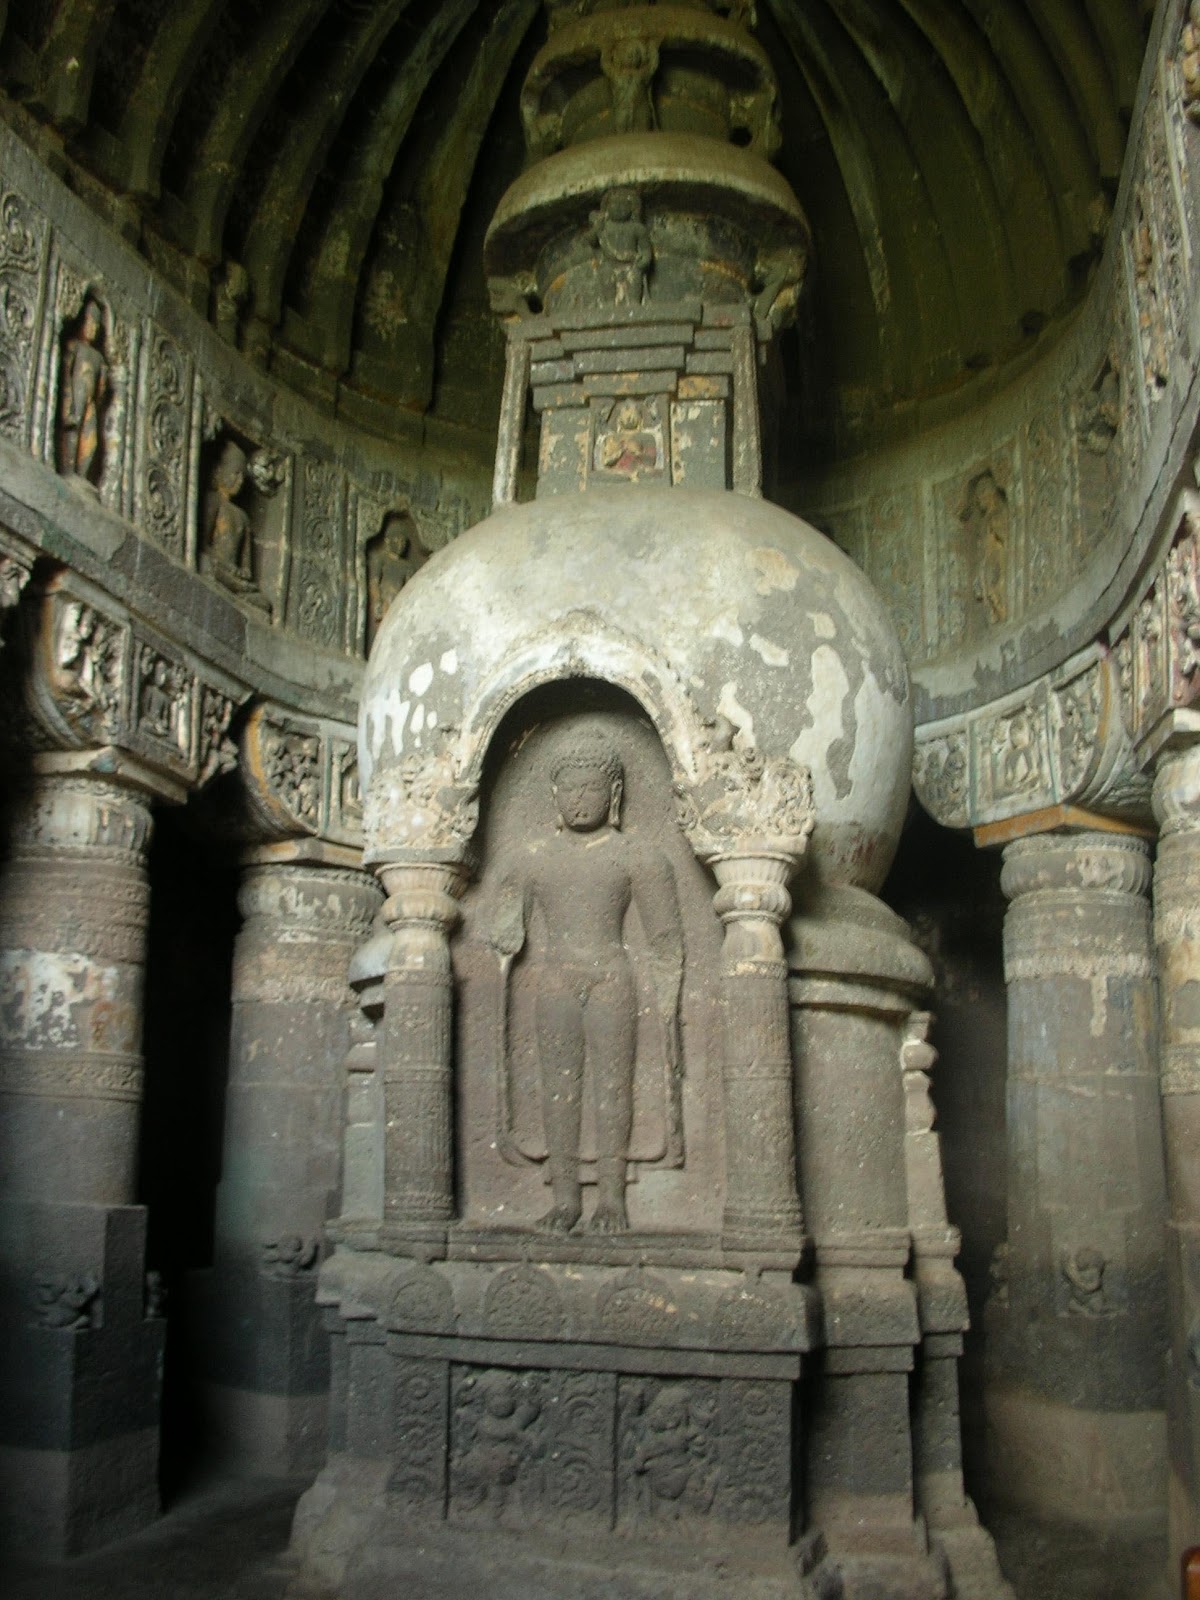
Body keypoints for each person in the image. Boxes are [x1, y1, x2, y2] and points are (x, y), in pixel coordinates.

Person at [490, 728, 683, 1234]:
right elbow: (504, 930)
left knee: (612, 1088)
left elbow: (665, 937)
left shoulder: (638, 857)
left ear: (613, 794)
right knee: (559, 1089)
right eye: (570, 790)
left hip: (610, 978)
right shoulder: (532, 857)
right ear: (554, 794)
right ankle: (565, 1199)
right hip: (554, 979)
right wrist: (504, 934)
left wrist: (670, 997)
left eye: (590, 790)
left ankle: (613, 1201)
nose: (579, 801)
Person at [58, 297, 107, 483]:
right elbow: (66, 374)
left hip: (90, 401)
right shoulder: (74, 347)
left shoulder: (98, 358)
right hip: (75, 394)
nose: (93, 329)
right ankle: (68, 469)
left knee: (91, 438)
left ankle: (81, 474)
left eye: (96, 325)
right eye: (89, 323)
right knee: (72, 431)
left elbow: (101, 388)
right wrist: (67, 402)